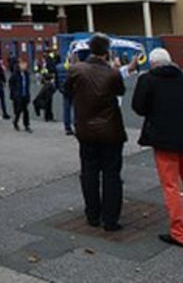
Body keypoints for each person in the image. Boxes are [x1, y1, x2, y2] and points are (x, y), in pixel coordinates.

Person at [132, 48, 183, 248]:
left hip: (163, 140)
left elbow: (138, 108)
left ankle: (179, 232)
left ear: (152, 63)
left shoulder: (147, 80)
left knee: (171, 187)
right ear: (170, 60)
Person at [65, 33, 126, 232]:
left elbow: (66, 91)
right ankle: (110, 219)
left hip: (86, 130)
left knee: (89, 172)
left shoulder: (76, 71)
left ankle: (92, 214)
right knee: (111, 174)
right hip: (110, 130)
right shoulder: (112, 73)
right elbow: (120, 92)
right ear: (106, 51)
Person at [9, 59, 32, 132]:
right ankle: (15, 122)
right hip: (18, 95)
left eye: (25, 64)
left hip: (25, 94)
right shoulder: (15, 74)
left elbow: (27, 85)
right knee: (18, 111)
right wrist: (14, 93)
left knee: (26, 111)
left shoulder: (26, 74)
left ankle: (27, 125)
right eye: (23, 64)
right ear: (19, 65)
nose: (25, 66)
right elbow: (11, 83)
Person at [54, 54, 74, 135]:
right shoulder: (74, 68)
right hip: (74, 91)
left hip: (65, 91)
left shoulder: (59, 67)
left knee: (66, 109)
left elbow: (57, 80)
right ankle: (76, 125)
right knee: (75, 109)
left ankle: (67, 127)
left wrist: (59, 88)